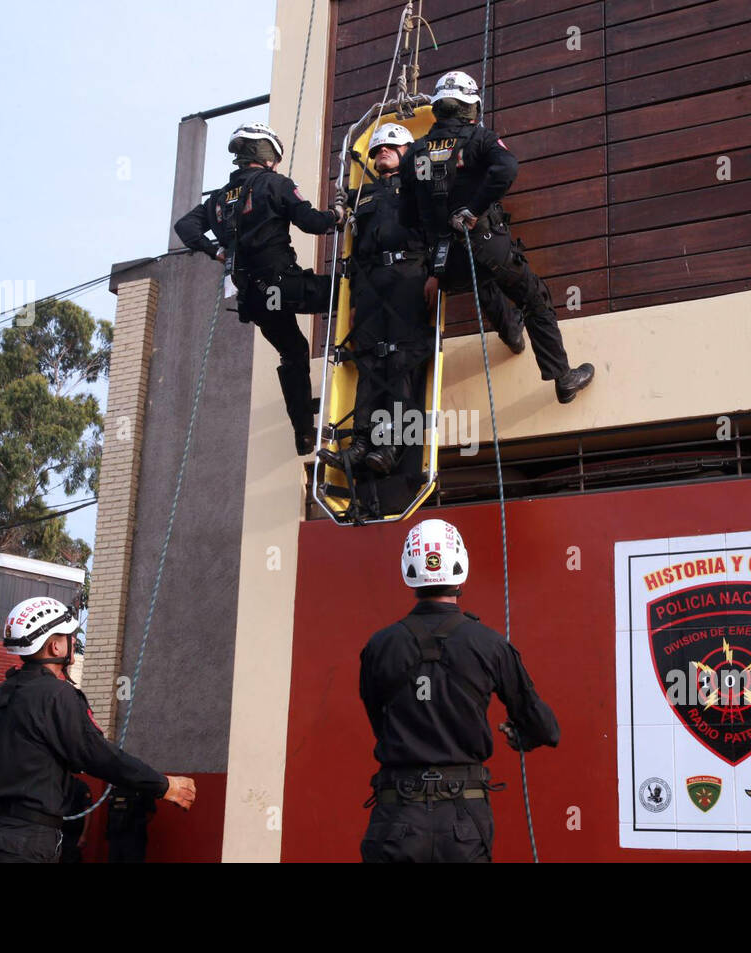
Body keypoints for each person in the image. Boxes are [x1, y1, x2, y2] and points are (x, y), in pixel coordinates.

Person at [358, 518, 560, 863]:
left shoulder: (379, 646)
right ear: (460, 565)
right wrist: (522, 735)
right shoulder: (490, 644)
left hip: (398, 816)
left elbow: (379, 720)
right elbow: (545, 728)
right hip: (463, 821)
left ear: (409, 569)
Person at [400, 71, 595, 404]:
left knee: (486, 282)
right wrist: (472, 210)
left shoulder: (414, 155)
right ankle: (563, 378)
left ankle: (512, 335)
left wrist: (432, 268)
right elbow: (506, 169)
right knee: (534, 298)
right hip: (485, 244)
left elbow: (407, 218)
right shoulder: (479, 139)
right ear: (469, 106)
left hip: (444, 264)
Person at [0, 596, 196, 863]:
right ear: (54, 646)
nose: (74, 641)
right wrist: (163, 785)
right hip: (30, 843)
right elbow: (100, 756)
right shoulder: (58, 696)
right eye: (70, 636)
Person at [174, 122, 347, 456]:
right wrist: (336, 215)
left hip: (253, 299)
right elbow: (312, 223)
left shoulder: (219, 199)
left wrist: (216, 250)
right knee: (351, 291)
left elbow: (185, 226)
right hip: (283, 284)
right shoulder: (274, 183)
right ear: (267, 155)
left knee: (293, 351)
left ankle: (303, 432)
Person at [317, 122, 433, 477]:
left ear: (407, 152)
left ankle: (393, 445)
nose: (381, 151)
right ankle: (361, 445)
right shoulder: (362, 196)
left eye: (389, 147)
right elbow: (357, 252)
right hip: (371, 285)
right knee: (369, 362)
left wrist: (435, 274)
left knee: (401, 361)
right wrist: (353, 302)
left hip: (408, 276)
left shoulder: (420, 187)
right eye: (377, 149)